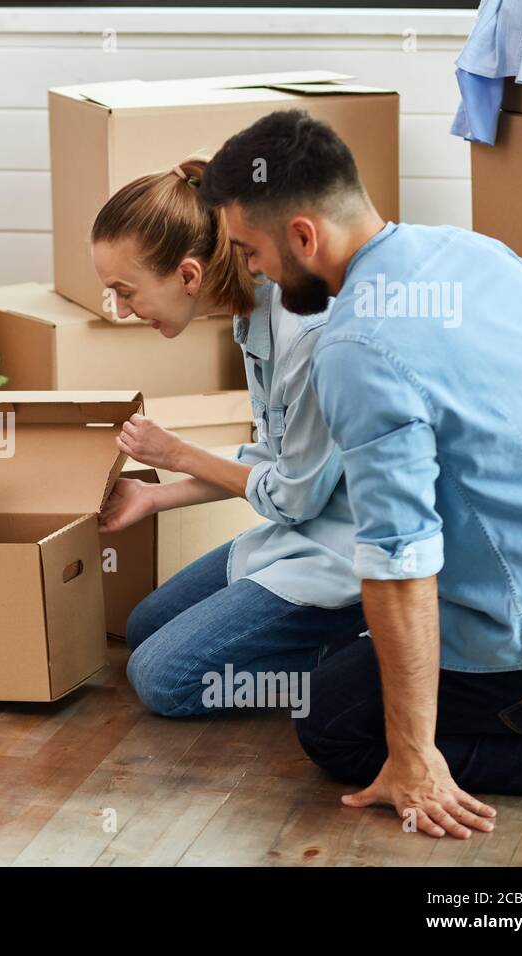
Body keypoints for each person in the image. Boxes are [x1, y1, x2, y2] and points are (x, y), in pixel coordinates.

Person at [201, 108, 522, 838]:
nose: (252, 270)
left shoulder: (356, 344)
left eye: (249, 249)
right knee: (365, 654)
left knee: (333, 722)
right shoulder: (473, 252)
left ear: (303, 235)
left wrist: (412, 753)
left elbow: (400, 563)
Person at [93, 157, 364, 719]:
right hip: (301, 529)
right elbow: (271, 457)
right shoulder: (252, 310)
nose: (119, 310)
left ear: (188, 276)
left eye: (125, 291)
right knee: (144, 626)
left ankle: (354, 662)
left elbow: (295, 494)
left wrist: (174, 452)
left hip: (347, 551)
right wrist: (156, 493)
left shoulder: (309, 332)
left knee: (163, 678)